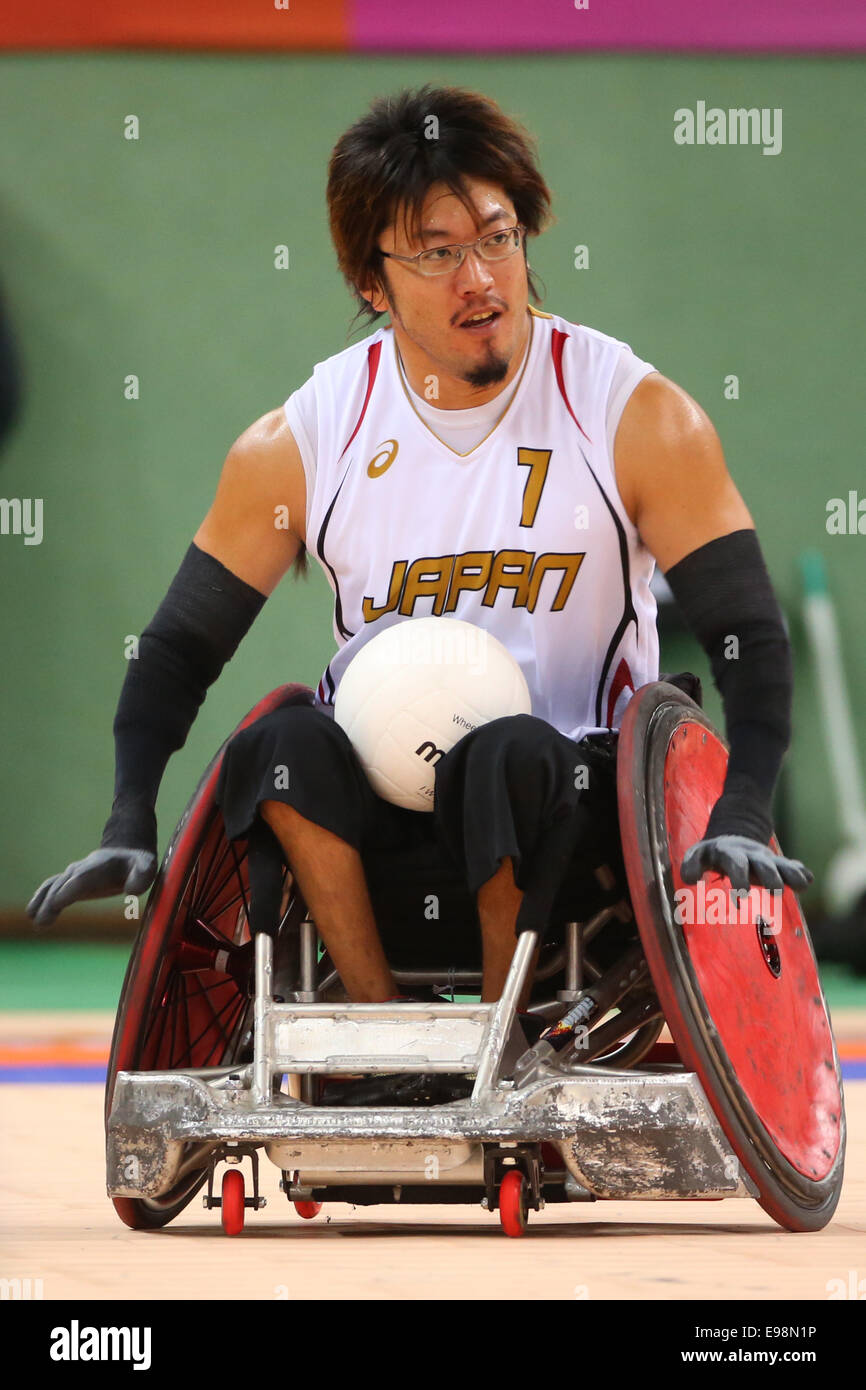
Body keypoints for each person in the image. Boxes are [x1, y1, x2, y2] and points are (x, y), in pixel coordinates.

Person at [27, 86, 811, 1017]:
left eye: (497, 237)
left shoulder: (633, 414)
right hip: (386, 816)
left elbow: (746, 636)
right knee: (273, 747)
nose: (480, 277)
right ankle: (372, 1034)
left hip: (578, 810)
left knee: (505, 756)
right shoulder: (306, 439)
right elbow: (177, 651)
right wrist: (129, 815)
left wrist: (746, 808)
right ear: (373, 281)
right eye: (438, 254)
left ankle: (493, 1034)